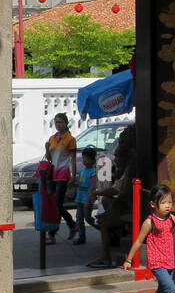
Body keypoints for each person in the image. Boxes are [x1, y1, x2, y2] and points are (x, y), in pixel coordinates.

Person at [87, 125, 135, 269]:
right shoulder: (127, 169)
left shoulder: (131, 168)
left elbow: (115, 190)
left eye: (118, 156)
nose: (115, 159)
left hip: (129, 207)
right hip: (126, 204)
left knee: (103, 221)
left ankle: (105, 256)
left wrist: (96, 193)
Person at [47, 113, 78, 236]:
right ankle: (69, 226)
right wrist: (46, 148)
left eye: (60, 122)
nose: (58, 125)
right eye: (56, 122)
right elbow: (50, 158)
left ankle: (55, 232)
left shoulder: (70, 139)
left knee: (57, 204)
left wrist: (73, 175)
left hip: (63, 174)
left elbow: (73, 159)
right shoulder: (52, 138)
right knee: (53, 204)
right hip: (52, 174)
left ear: (66, 123)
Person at [72, 148, 97, 245]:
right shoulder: (82, 170)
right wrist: (74, 186)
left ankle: (102, 228)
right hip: (80, 197)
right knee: (79, 219)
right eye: (83, 158)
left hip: (87, 198)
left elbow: (93, 186)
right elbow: (81, 182)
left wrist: (89, 198)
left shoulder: (93, 171)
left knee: (88, 218)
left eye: (87, 159)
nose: (84, 161)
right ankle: (81, 237)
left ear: (93, 160)